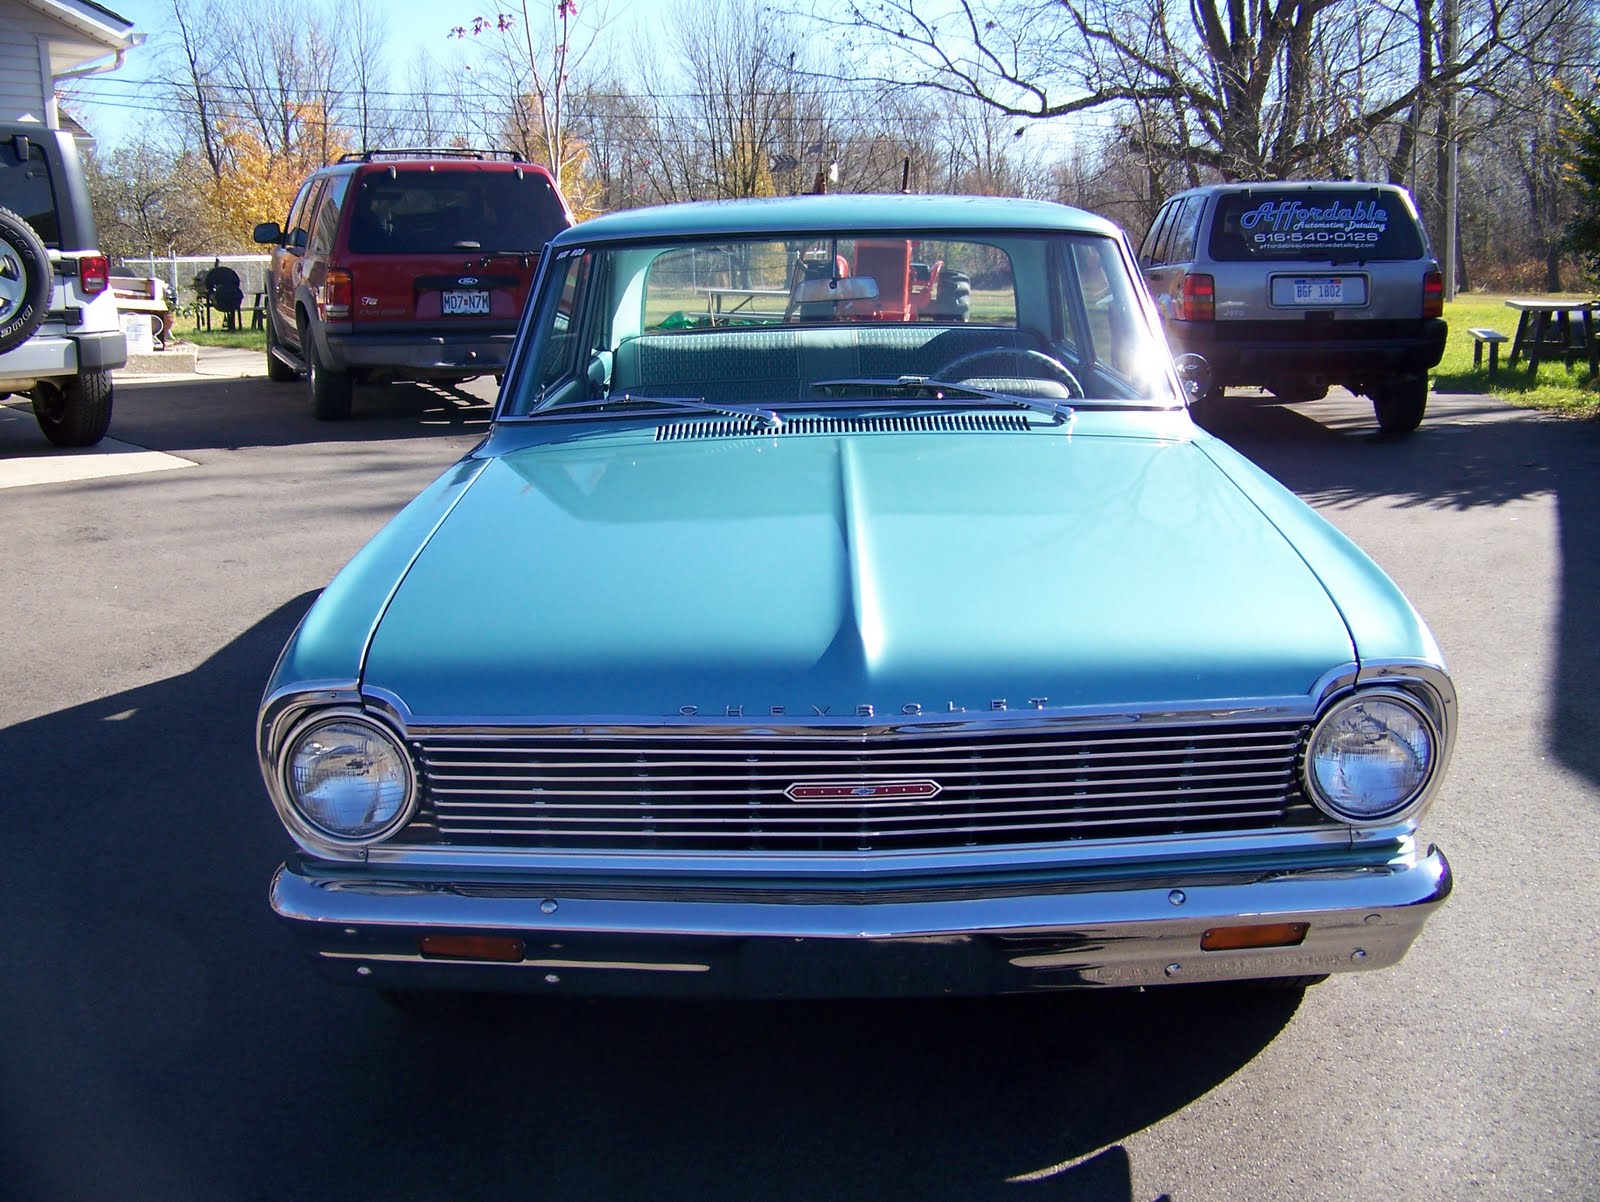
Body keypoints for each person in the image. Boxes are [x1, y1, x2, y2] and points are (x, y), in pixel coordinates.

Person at [204, 258, 244, 331]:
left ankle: (232, 325)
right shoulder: (230, 279)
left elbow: (209, 286)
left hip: (225, 298)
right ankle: (232, 326)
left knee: (230, 306)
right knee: (231, 307)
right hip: (233, 298)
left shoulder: (215, 276)